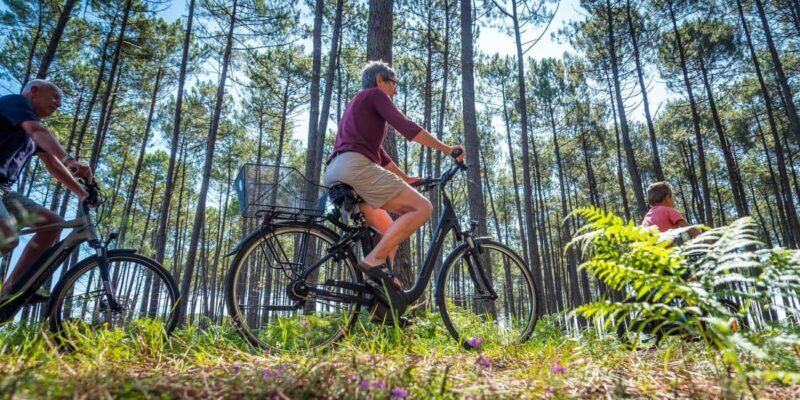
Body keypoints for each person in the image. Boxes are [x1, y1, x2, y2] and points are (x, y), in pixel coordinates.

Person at [323, 60, 465, 312]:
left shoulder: (357, 103)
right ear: (380, 79)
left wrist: (405, 178)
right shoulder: (376, 95)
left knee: (389, 232)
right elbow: (407, 128)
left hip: (336, 170)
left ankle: (382, 303)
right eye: (393, 83)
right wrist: (447, 149)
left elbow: (379, 153)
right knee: (422, 208)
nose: (395, 91)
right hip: (356, 168)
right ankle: (374, 260)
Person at [0, 79, 94, 302]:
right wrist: (71, 159)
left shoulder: (32, 130)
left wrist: (82, 193)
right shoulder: (15, 103)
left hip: (4, 191)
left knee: (53, 224)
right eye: (55, 97)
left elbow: (52, 164)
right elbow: (36, 130)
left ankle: (11, 291)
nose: (58, 104)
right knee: (7, 236)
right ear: (33, 91)